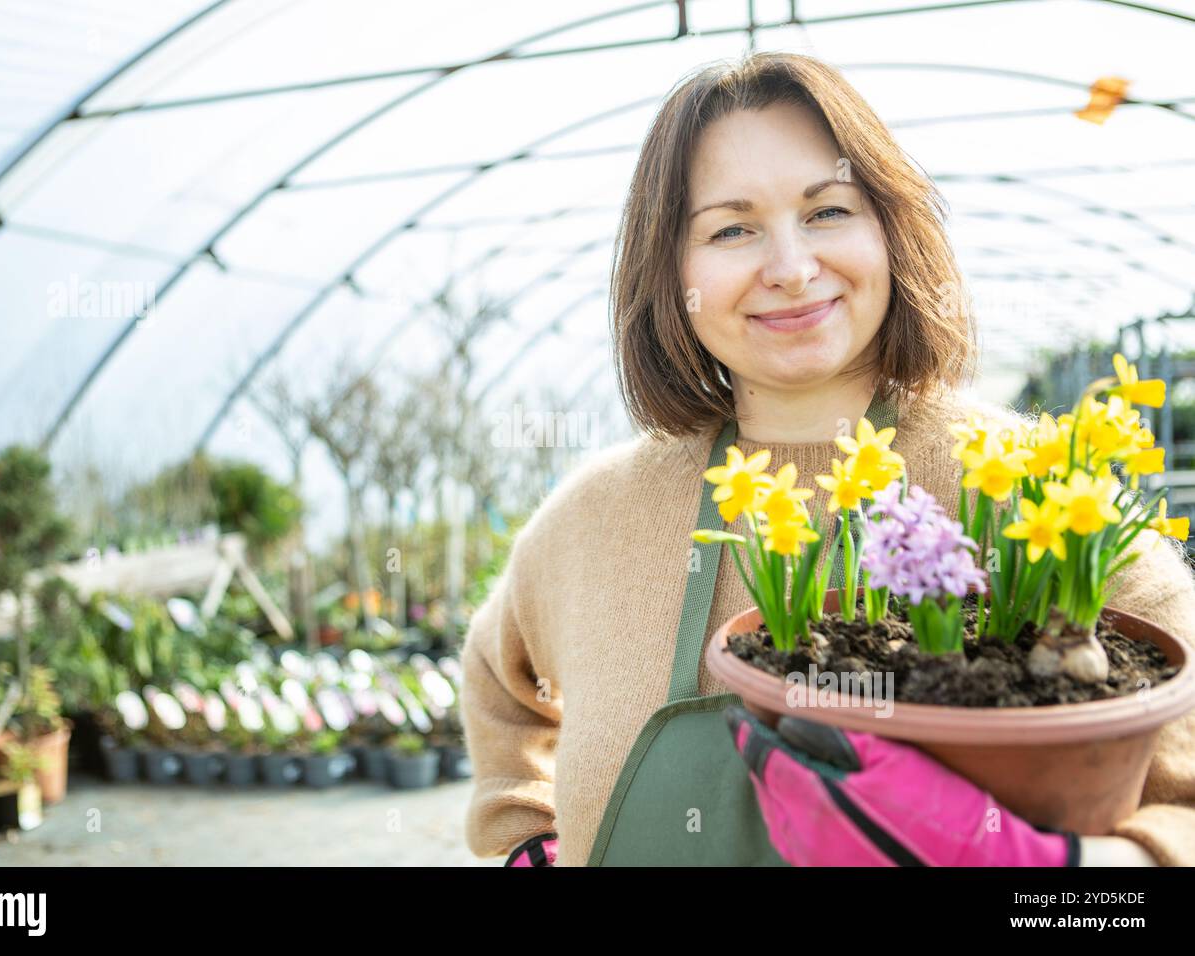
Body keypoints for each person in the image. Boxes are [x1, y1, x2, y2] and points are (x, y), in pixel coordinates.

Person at [459, 51, 1195, 867]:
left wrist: (1065, 881)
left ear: (890, 228)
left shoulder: (1033, 483)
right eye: (731, 229)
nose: (790, 268)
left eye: (828, 211)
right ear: (671, 270)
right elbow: (500, 684)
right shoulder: (594, 518)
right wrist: (529, 840)